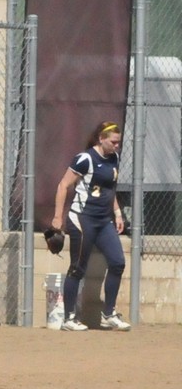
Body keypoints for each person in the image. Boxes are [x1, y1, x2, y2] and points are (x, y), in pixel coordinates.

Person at [50, 120, 130, 331]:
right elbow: (63, 185)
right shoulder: (85, 159)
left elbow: (109, 188)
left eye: (119, 142)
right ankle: (69, 318)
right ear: (101, 138)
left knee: (117, 262)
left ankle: (109, 314)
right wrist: (58, 217)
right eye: (113, 142)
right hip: (82, 219)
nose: (117, 146)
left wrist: (117, 213)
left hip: (104, 220)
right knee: (78, 268)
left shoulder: (114, 158)